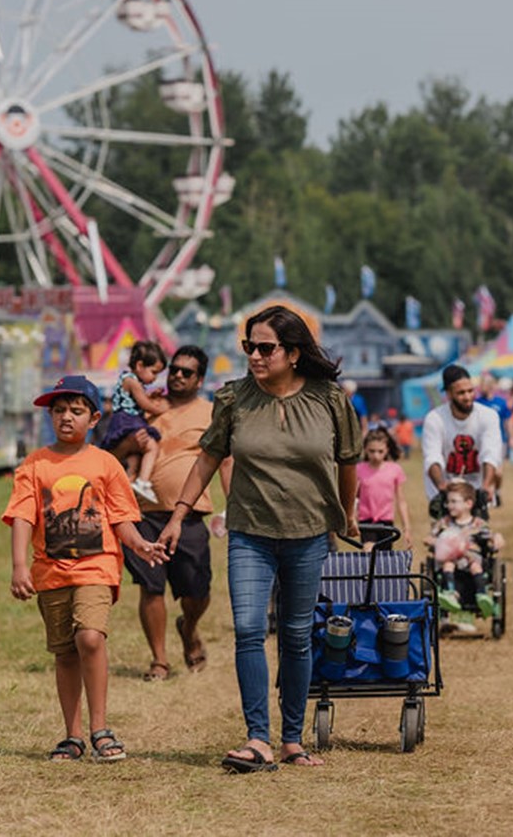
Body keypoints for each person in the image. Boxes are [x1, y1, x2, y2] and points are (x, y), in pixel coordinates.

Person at [157, 305, 362, 772]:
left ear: (292, 352)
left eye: (265, 347)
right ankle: (257, 739)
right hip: (249, 533)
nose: (254, 355)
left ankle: (292, 739)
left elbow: (348, 461)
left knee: (295, 635)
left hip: (309, 534)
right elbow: (208, 459)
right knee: (249, 630)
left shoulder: (329, 399)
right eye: (249, 346)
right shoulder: (234, 399)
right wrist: (178, 515)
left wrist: (346, 515)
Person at [3, 375, 168, 763]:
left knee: (90, 638)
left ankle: (100, 729)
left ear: (94, 419)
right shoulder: (35, 464)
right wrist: (18, 565)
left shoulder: (105, 463)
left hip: (97, 567)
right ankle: (72, 736)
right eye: (58, 411)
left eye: (76, 411)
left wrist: (139, 544)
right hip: (51, 572)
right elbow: (23, 516)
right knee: (64, 653)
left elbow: (122, 518)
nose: (66, 418)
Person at [123, 346, 232, 682]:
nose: (178, 376)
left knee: (197, 590)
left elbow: (225, 460)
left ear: (200, 379)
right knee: (150, 587)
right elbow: (116, 448)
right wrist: (130, 442)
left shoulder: (211, 412)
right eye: (175, 370)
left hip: (190, 516)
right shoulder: (147, 406)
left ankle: (189, 626)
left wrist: (232, 508)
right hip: (144, 513)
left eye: (187, 372)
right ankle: (159, 660)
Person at [420, 364, 503, 513]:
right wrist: (442, 487)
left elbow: (490, 453)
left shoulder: (488, 416)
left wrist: (485, 487)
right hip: (444, 494)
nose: (467, 397)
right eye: (461, 393)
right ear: (449, 394)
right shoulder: (434, 419)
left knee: (476, 535)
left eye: (470, 391)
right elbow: (432, 457)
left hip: (476, 493)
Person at [98, 340, 168, 502]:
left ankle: (129, 481)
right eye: (154, 372)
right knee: (151, 447)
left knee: (134, 455)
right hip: (129, 421)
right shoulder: (132, 382)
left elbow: (135, 400)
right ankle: (143, 482)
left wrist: (150, 395)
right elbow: (144, 404)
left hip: (126, 420)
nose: (155, 378)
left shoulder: (129, 380)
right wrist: (160, 409)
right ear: (139, 365)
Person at [425, 480, 504, 618]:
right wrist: (439, 541)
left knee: (475, 565)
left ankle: (482, 595)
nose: (450, 506)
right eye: (448, 502)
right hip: (450, 558)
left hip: (471, 558)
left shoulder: (478, 524)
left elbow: (491, 536)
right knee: (448, 564)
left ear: (468, 504)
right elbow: (427, 539)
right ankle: (450, 594)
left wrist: (497, 537)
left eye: (454, 502)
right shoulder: (444, 523)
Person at [355, 427, 412, 544]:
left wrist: (407, 528)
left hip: (386, 521)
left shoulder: (395, 470)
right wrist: (350, 519)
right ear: (365, 449)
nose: (376, 456)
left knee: (384, 559)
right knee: (369, 551)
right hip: (366, 520)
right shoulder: (359, 469)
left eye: (380, 451)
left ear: (387, 450)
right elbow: (353, 498)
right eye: (372, 451)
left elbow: (401, 501)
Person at [476, 373, 513, 452]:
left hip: (499, 441)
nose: (480, 386)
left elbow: (508, 421)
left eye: (483, 384)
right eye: (481, 383)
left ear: (490, 385)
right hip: (480, 441)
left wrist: (512, 438)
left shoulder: (501, 402)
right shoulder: (476, 403)